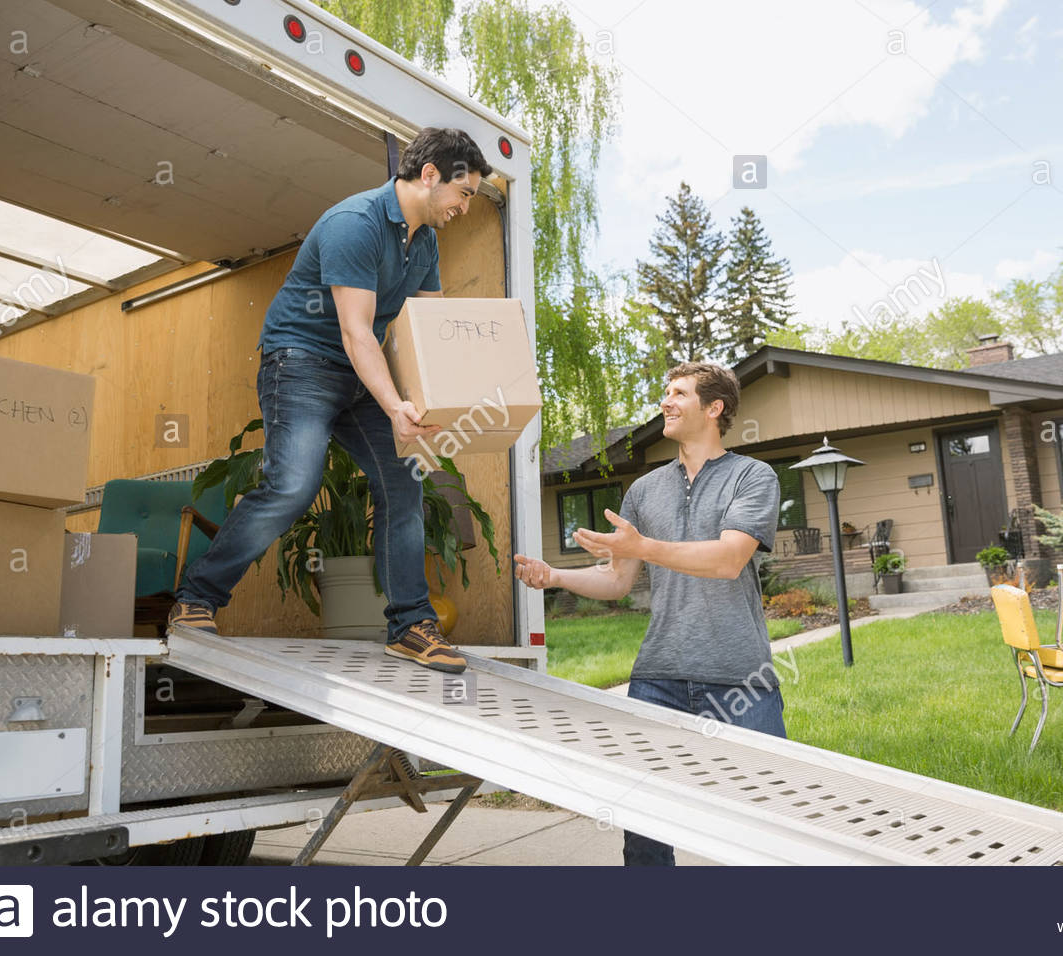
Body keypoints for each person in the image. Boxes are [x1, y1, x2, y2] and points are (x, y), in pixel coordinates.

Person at [169, 127, 492, 675]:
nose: (466, 206)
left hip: (360, 373)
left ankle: (410, 624)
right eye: (464, 193)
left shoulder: (426, 241)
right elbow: (357, 333)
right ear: (431, 175)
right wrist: (395, 407)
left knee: (405, 479)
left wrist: (435, 400)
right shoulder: (356, 224)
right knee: (293, 486)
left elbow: (426, 331)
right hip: (301, 361)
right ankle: (196, 598)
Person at [513, 361, 786, 865]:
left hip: (740, 679)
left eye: (679, 393)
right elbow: (618, 580)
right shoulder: (644, 491)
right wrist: (555, 577)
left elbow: (728, 560)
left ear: (714, 408)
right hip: (658, 679)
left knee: (767, 820)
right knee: (643, 829)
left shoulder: (752, 477)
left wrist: (645, 546)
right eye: (666, 392)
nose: (666, 401)